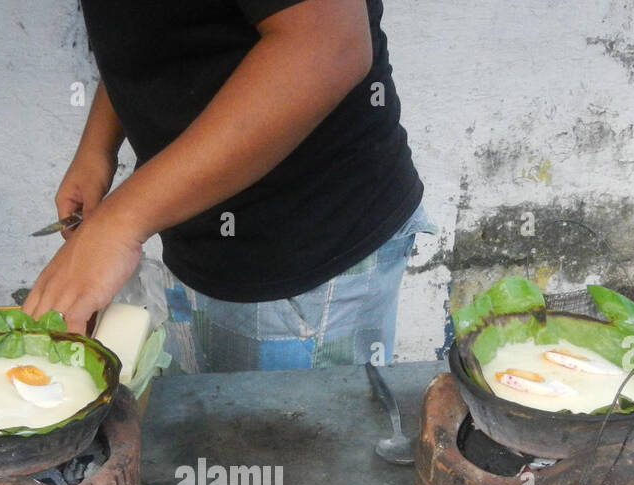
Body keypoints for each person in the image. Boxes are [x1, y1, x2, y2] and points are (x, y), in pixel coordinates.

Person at [23, 0, 432, 372]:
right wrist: (98, 146)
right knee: (211, 433)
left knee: (287, 450)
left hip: (301, 249)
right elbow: (156, 28)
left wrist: (118, 223)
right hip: (191, 229)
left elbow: (329, 46)